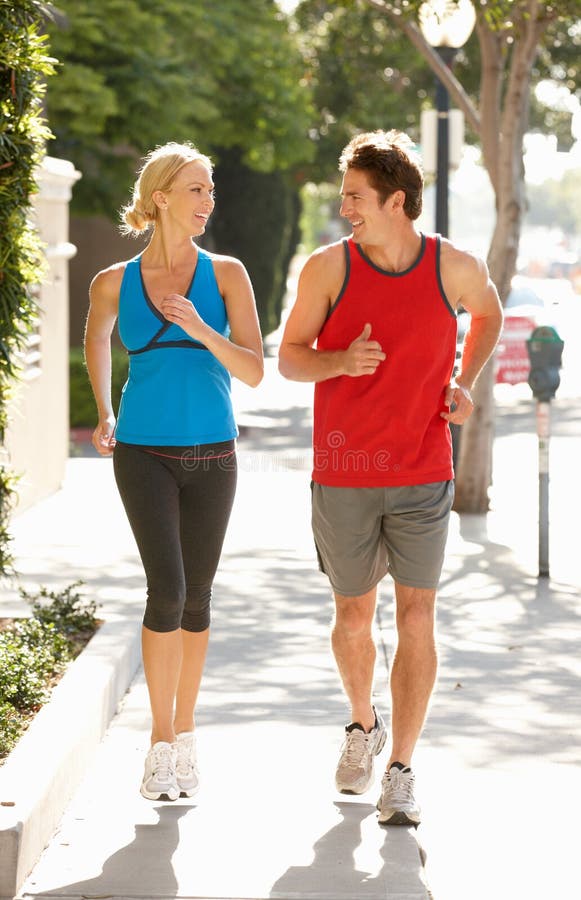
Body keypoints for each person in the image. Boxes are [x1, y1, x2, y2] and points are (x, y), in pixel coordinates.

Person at [278, 130, 503, 827]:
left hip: (422, 471)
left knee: (416, 614)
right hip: (344, 471)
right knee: (352, 616)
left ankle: (400, 768)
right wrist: (338, 362)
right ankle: (360, 724)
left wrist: (462, 381)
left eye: (355, 196)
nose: (344, 207)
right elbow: (289, 357)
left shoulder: (451, 268)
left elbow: (488, 311)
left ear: (395, 200)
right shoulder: (327, 269)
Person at [85, 142, 263, 801]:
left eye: (210, 189)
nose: (207, 201)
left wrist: (201, 328)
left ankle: (185, 735)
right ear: (161, 196)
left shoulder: (226, 276)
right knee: (166, 589)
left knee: (197, 596)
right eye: (196, 189)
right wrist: (104, 408)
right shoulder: (113, 281)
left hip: (213, 453)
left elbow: (252, 368)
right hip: (143, 452)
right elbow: (96, 336)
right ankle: (159, 743)